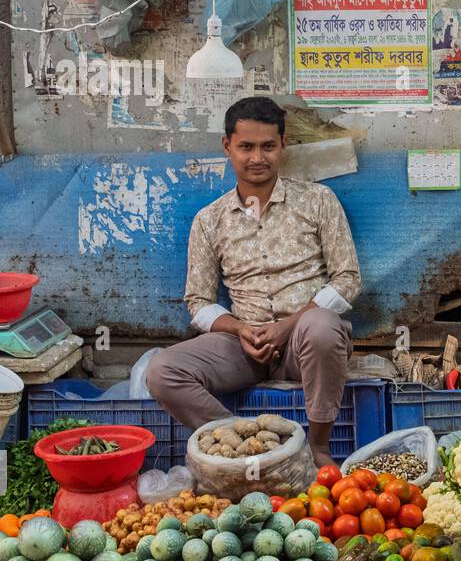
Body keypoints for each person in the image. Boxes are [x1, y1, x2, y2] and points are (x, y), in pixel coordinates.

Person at [147, 96, 361, 467]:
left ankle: (319, 447)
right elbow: (198, 302)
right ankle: (251, 448)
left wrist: (284, 328)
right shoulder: (209, 220)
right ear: (227, 146)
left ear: (283, 145)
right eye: (246, 147)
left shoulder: (318, 201)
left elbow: (347, 281)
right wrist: (241, 329)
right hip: (243, 348)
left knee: (322, 326)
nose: (257, 158)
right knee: (163, 371)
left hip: (304, 342)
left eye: (267, 146)